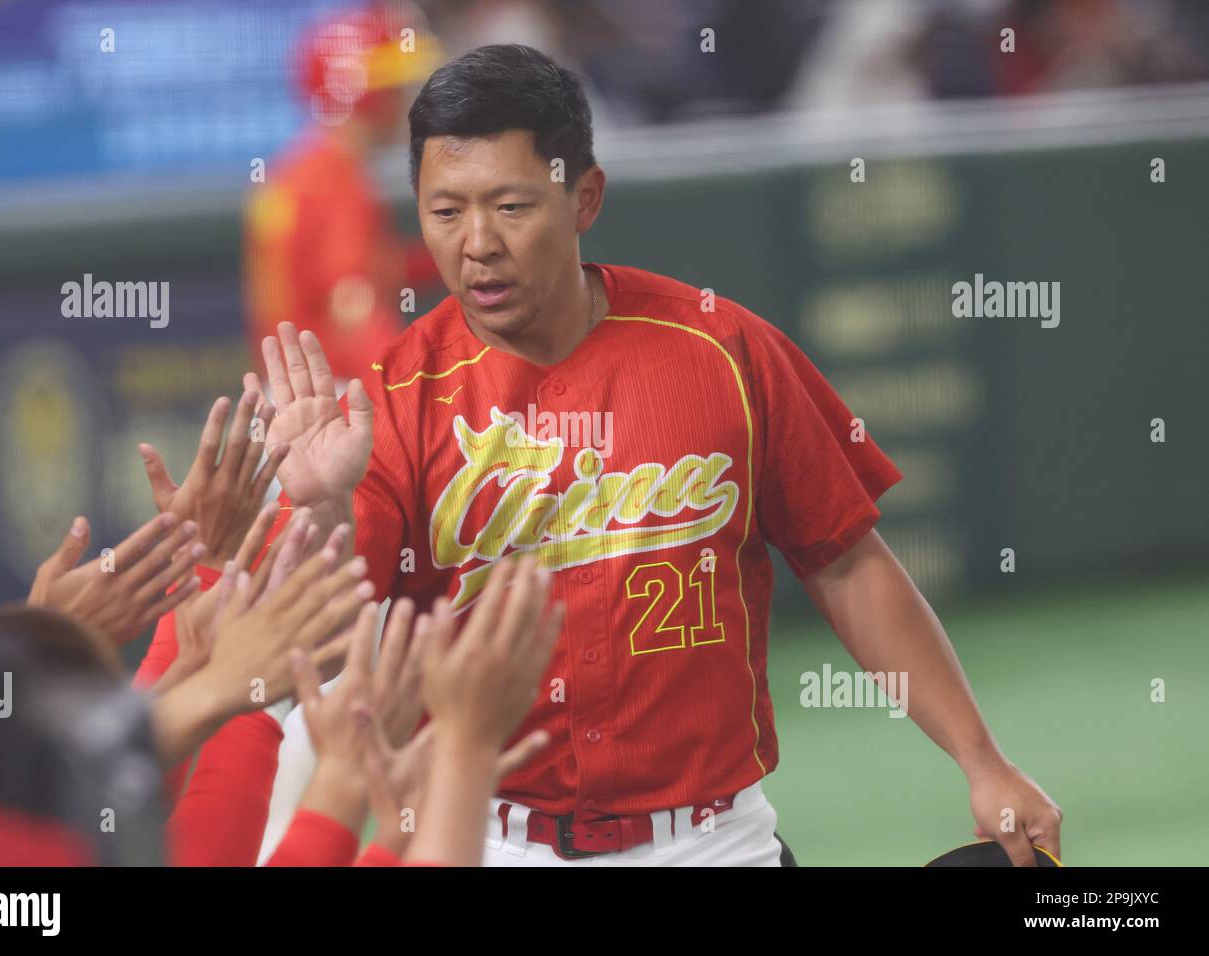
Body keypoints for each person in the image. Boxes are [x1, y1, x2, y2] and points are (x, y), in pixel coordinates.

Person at [238, 43, 1062, 866]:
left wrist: (981, 759)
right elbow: (324, 641)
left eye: (511, 206)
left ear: (583, 196)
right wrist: (318, 505)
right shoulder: (396, 392)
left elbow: (847, 564)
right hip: (485, 839)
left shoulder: (723, 349)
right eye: (445, 212)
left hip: (713, 844)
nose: (477, 242)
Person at [244, 0, 444, 384]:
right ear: (366, 95)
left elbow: (359, 272)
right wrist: (402, 386)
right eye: (395, 86)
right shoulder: (335, 179)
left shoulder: (299, 170)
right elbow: (351, 303)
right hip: (333, 397)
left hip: (293, 393)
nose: (405, 99)